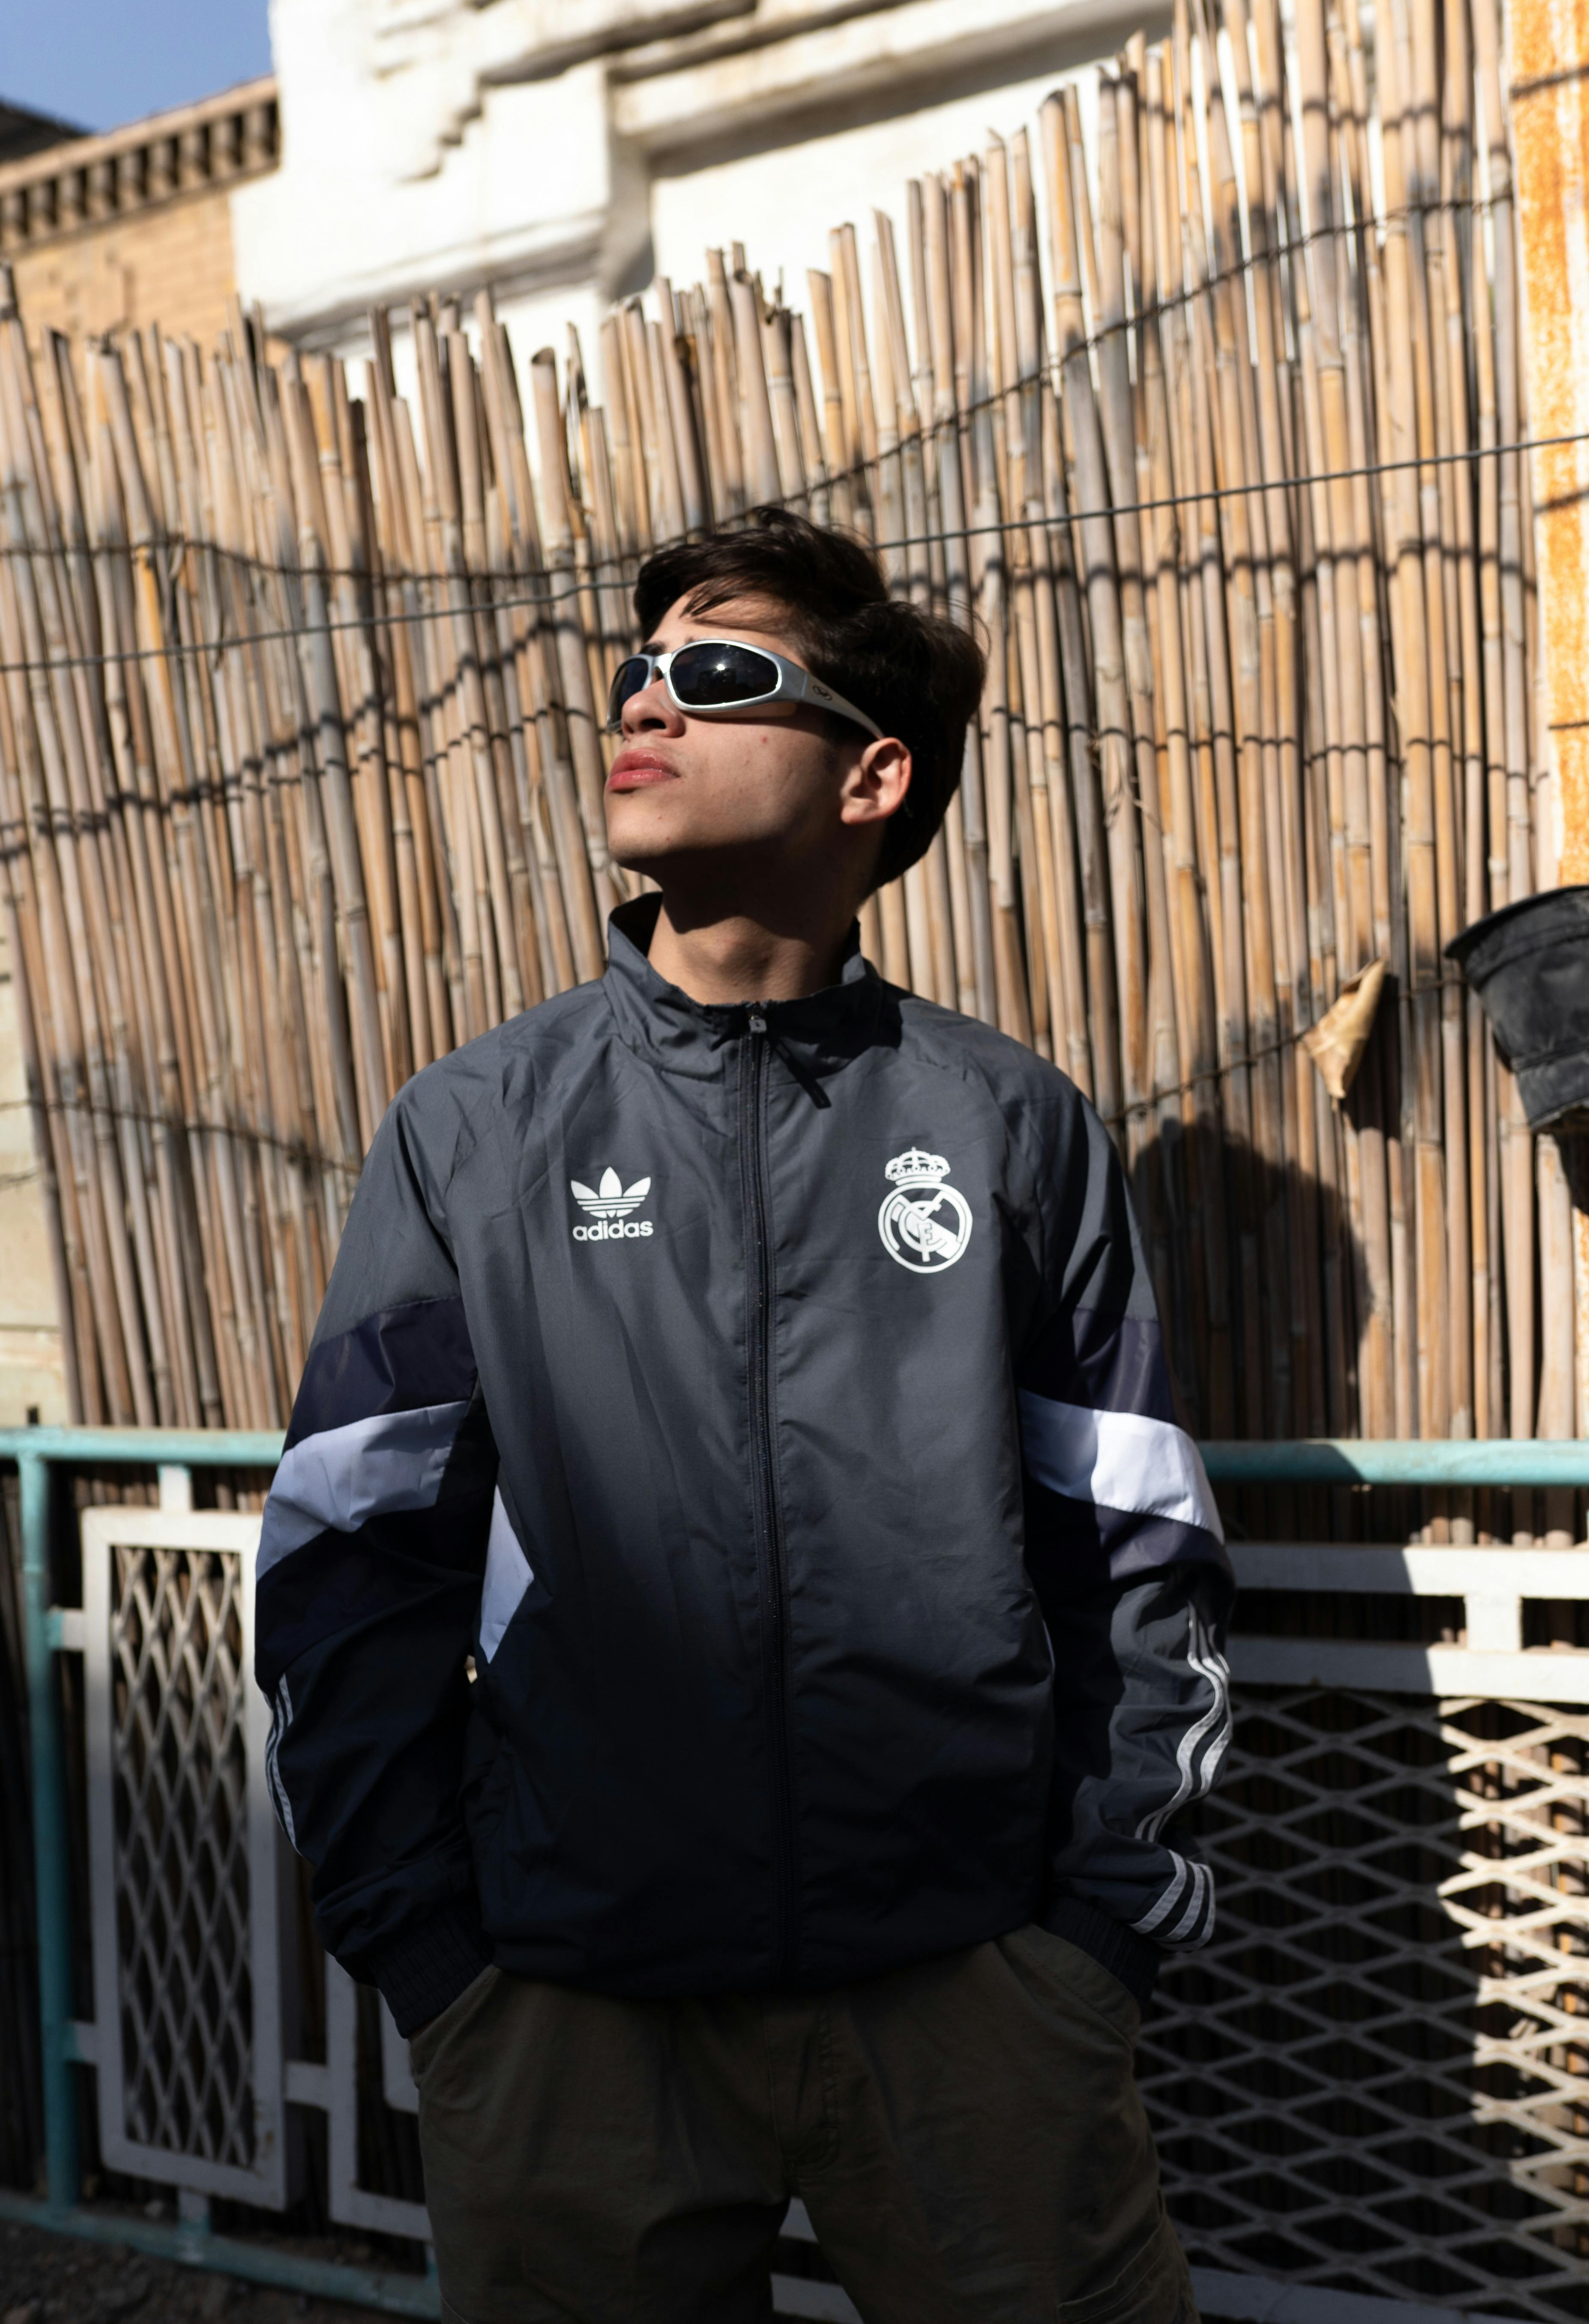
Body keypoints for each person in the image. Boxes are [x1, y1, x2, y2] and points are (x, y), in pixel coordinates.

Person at [255, 507, 1233, 2324]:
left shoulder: (1007, 1127)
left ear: (872, 776)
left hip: (967, 2001)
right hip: (572, 2006)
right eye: (635, 671)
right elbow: (346, 1552)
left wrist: (1090, 1942)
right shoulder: (475, 1128)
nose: (645, 702)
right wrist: (438, 1960)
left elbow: (1134, 1544)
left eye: (716, 677)